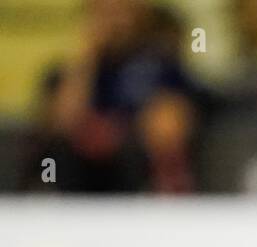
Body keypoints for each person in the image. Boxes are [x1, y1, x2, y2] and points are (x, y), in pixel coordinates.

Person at [25, 0, 204, 193]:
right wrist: (87, 57)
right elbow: (62, 121)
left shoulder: (161, 67)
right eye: (104, 13)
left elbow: (175, 119)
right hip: (73, 175)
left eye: (121, 12)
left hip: (135, 169)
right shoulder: (68, 72)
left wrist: (124, 130)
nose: (114, 22)